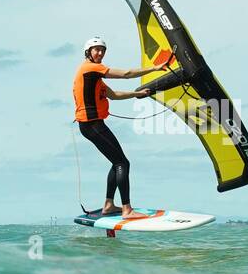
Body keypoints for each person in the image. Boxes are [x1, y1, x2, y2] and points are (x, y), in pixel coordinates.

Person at [73, 36, 173, 217]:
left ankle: (109, 205)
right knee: (122, 163)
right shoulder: (90, 68)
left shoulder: (94, 76)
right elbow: (126, 74)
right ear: (88, 52)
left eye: (103, 50)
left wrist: (137, 94)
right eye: (96, 49)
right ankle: (127, 209)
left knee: (116, 161)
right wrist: (155, 68)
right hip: (92, 124)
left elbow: (114, 95)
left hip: (91, 125)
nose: (100, 53)